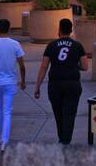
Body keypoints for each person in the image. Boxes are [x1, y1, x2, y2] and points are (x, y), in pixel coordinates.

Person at [34, 17, 89, 145]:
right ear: (71, 30)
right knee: (69, 114)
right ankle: (66, 141)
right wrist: (74, 66)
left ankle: (62, 138)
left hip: (55, 84)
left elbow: (44, 66)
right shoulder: (77, 46)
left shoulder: (51, 45)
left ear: (59, 30)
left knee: (58, 114)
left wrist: (37, 86)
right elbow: (85, 66)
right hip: (72, 84)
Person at [0, 18, 26, 152]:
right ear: (9, 29)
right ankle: (5, 140)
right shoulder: (15, 45)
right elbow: (22, 65)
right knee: (7, 110)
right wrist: (23, 80)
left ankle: (1, 136)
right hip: (10, 82)